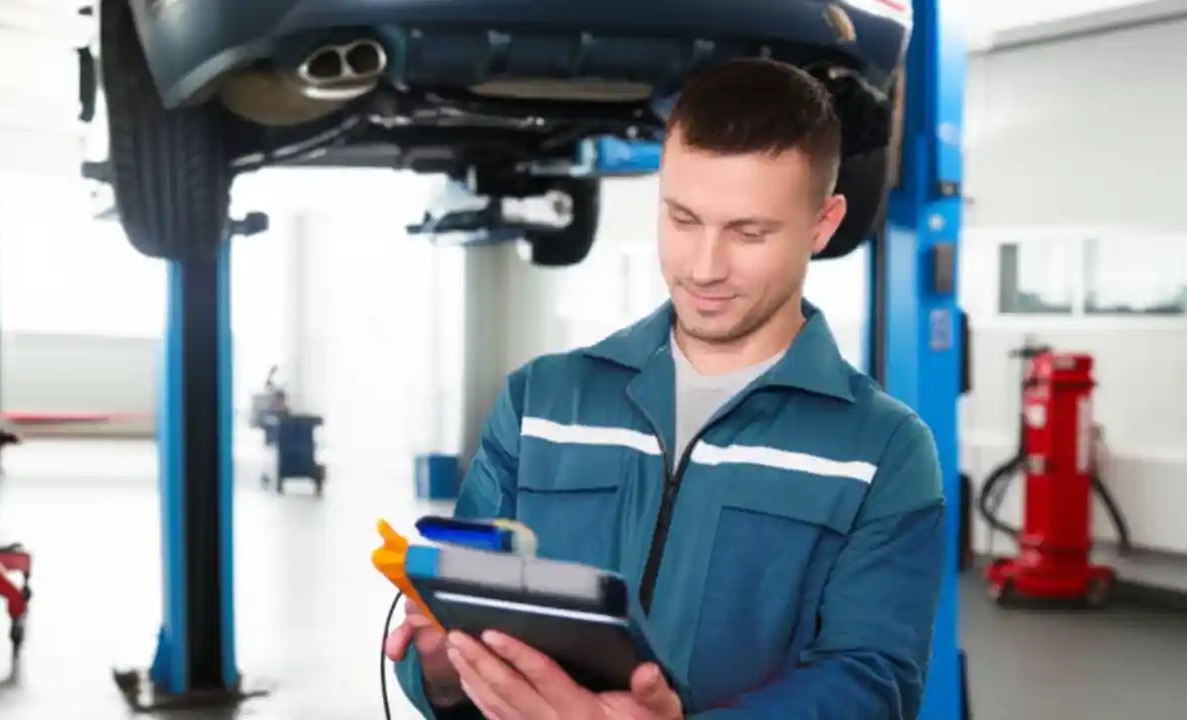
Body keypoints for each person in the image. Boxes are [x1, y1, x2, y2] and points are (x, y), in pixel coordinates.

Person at [385, 57, 946, 720]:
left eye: (749, 232)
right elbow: (457, 629)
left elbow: (871, 685)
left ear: (822, 225)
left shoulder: (882, 451)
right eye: (683, 220)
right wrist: (444, 669)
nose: (705, 267)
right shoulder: (542, 405)